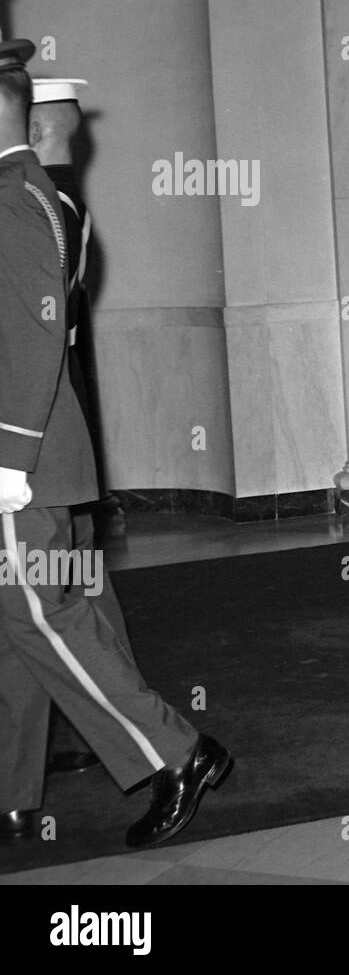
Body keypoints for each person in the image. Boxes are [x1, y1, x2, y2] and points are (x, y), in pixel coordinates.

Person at [0, 38, 230, 849]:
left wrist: (7, 460)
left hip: (18, 460)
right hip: (45, 454)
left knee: (41, 613)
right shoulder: (40, 194)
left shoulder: (16, 196)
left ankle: (178, 750)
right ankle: (14, 791)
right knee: (21, 619)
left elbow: (32, 336)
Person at [30, 76, 128, 776]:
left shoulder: (40, 202)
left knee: (60, 589)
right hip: (65, 429)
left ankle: (106, 720)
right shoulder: (56, 196)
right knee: (77, 580)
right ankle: (100, 719)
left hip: (44, 434)